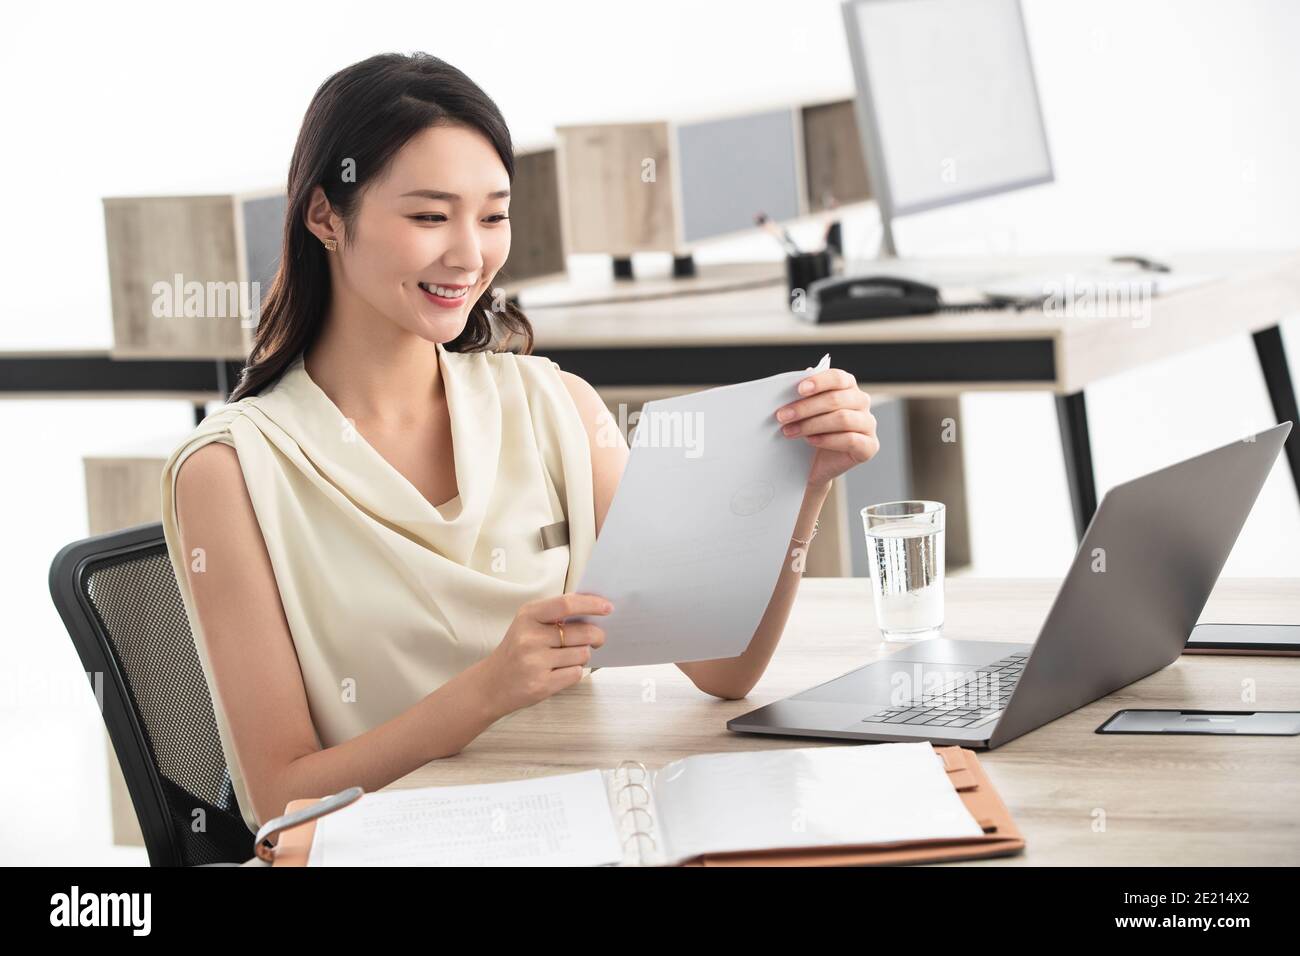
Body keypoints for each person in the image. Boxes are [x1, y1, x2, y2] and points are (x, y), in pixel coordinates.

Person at [160, 52, 880, 833]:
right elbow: (279, 799)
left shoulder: (555, 407)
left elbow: (726, 670)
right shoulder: (232, 472)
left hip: (585, 832)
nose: (468, 254)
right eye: (430, 216)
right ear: (326, 215)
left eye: (493, 215)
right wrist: (487, 691)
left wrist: (802, 485)